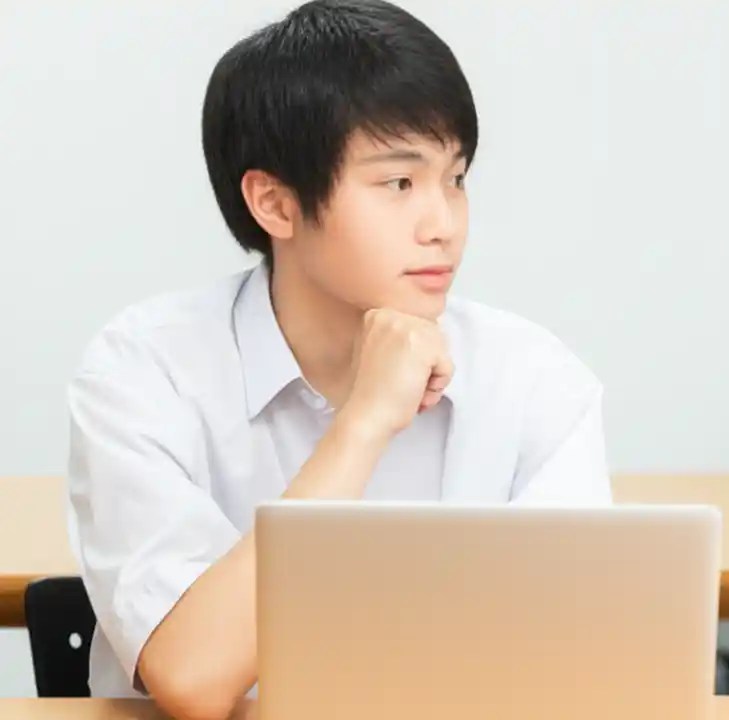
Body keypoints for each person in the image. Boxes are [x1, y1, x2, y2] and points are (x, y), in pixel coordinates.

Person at [66, 0, 610, 716]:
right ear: (276, 204)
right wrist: (362, 424)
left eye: (456, 178)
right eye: (398, 184)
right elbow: (194, 676)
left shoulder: (534, 377)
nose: (443, 225)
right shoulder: (143, 372)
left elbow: (577, 663)